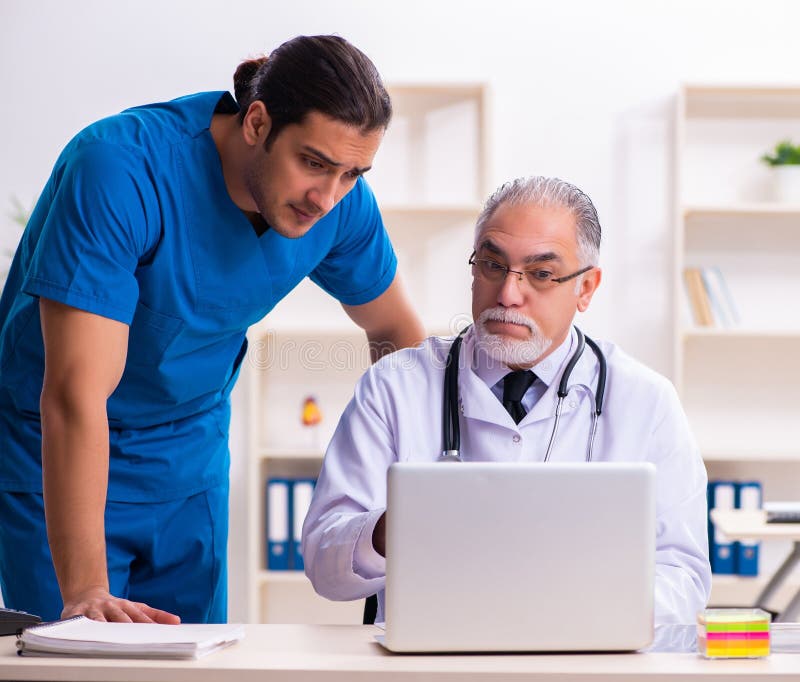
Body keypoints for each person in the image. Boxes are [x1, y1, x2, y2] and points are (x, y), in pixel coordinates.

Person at [0, 34, 425, 624]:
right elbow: (75, 396)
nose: (327, 196)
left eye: (353, 173)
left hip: (187, 459)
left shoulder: (339, 201)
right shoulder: (119, 170)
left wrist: (420, 499)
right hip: (56, 455)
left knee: (192, 661)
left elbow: (395, 335)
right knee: (79, 653)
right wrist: (86, 590)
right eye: (313, 163)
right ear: (257, 122)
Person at [302, 175, 711, 625]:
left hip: (582, 663)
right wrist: (390, 528)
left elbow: (684, 577)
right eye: (492, 266)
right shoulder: (395, 386)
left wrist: (575, 601)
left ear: (586, 288)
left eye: (540, 274)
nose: (508, 294)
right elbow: (324, 565)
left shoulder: (646, 402)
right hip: (430, 665)